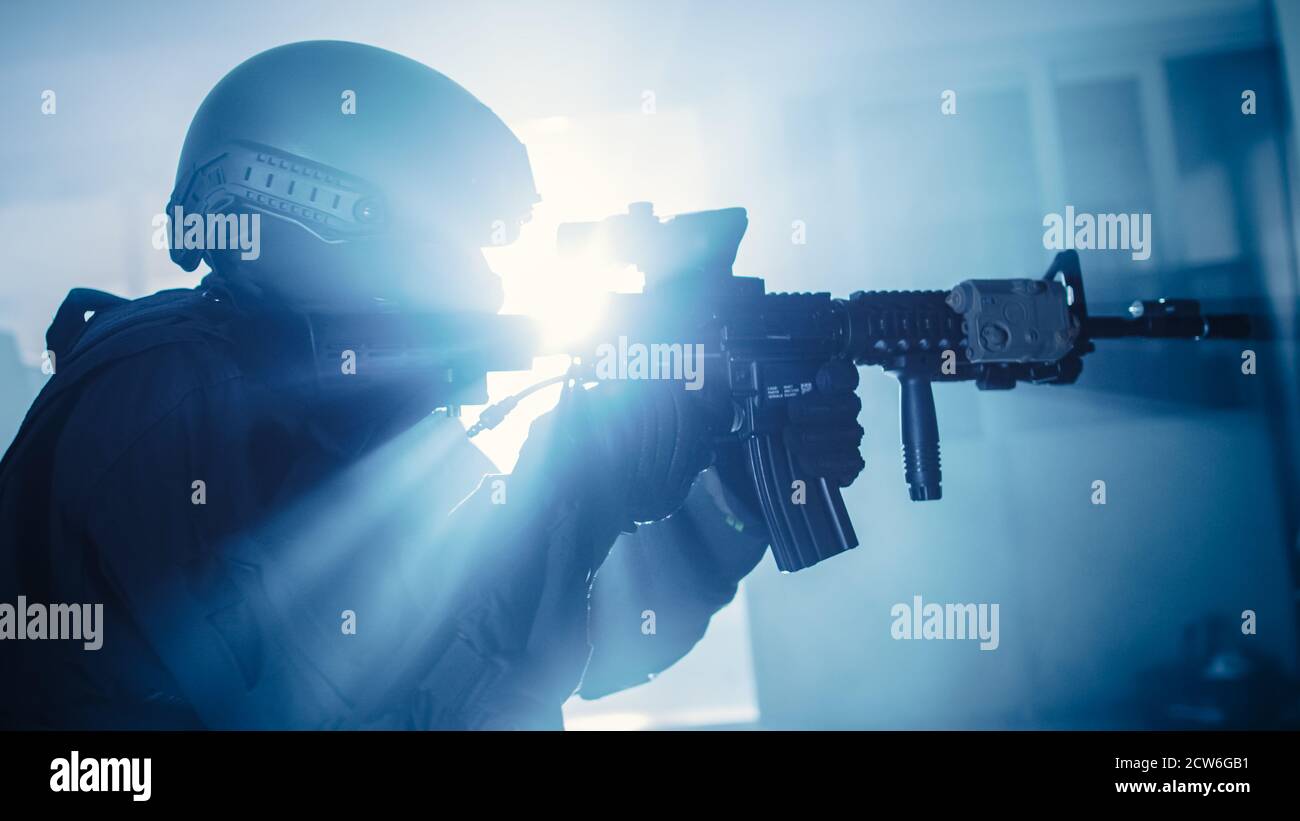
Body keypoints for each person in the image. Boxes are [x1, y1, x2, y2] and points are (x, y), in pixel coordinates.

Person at [0, 41, 862, 729]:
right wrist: (567, 491)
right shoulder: (169, 404)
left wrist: (729, 499)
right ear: (328, 217)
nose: (482, 284)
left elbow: (580, 640)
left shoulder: (346, 419)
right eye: (451, 242)